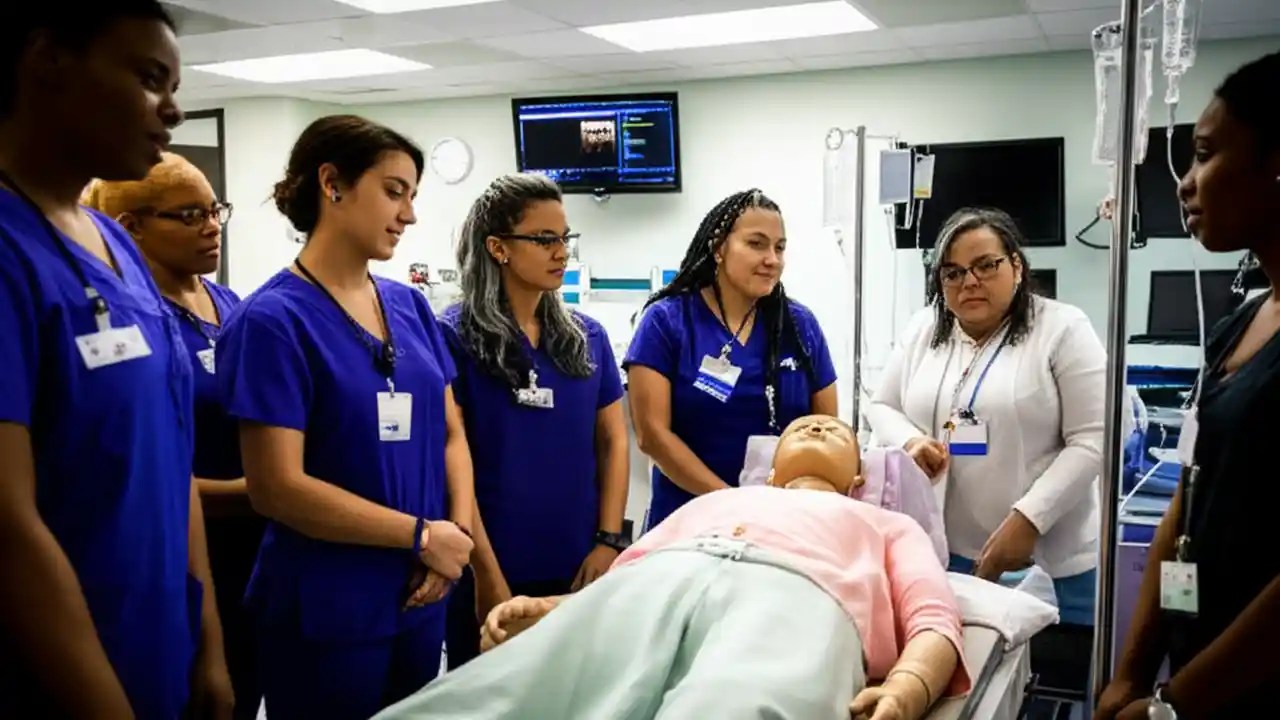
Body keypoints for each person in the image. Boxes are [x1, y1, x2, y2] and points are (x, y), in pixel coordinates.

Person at [373, 414, 969, 720]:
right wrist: (556, 611)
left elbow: (936, 623)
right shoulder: (714, 502)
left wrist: (908, 688)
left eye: (836, 432)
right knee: (504, 690)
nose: (817, 424)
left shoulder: (887, 525)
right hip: (661, 578)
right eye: (800, 426)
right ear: (771, 468)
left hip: (803, 600)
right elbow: (631, 571)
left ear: (859, 480)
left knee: (737, 702)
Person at [0, 5, 235, 719]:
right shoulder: (11, 253)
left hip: (161, 651)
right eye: (147, 78)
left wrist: (210, 647)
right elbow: (7, 524)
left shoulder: (117, 245)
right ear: (47, 59)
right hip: (63, 679)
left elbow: (169, 466)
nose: (173, 109)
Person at [215, 114, 476, 720]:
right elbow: (276, 488)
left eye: (412, 196)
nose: (408, 214)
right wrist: (419, 535)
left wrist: (453, 538)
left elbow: (452, 433)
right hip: (326, 605)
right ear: (331, 184)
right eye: (394, 191)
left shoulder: (410, 307)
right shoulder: (273, 322)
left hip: (420, 592)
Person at [1096, 51, 1280, 720]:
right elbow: (1186, 495)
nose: (1185, 183)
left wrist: (1173, 704)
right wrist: (1132, 672)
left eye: (1205, 154)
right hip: (1191, 671)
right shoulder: (1238, 326)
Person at [865, 207, 1107, 627]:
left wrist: (1031, 517)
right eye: (953, 272)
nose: (969, 282)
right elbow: (881, 406)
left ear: (1015, 265)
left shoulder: (1061, 329)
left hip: (1052, 552)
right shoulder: (926, 328)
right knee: (972, 670)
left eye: (985, 265)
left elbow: (1095, 437)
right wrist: (911, 441)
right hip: (947, 546)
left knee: (1059, 676)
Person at [84, 152, 263, 719]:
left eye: (215, 211)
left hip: (257, 559)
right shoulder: (125, 329)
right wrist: (262, 491)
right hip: (182, 558)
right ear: (130, 226)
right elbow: (150, 470)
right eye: (189, 215)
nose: (212, 226)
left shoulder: (231, 307)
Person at [440, 173, 629, 668]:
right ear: (498, 248)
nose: (561, 252)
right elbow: (449, 457)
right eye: (545, 239)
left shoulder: (586, 338)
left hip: (576, 567)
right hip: (489, 562)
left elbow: (613, 442)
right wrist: (486, 574)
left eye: (565, 238)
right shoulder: (453, 337)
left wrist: (609, 540)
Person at [625, 189, 838, 530]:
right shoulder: (667, 322)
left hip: (781, 526)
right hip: (687, 524)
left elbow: (828, 432)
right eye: (756, 244)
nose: (773, 259)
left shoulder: (799, 326)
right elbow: (652, 435)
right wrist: (731, 503)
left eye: (779, 247)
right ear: (719, 248)